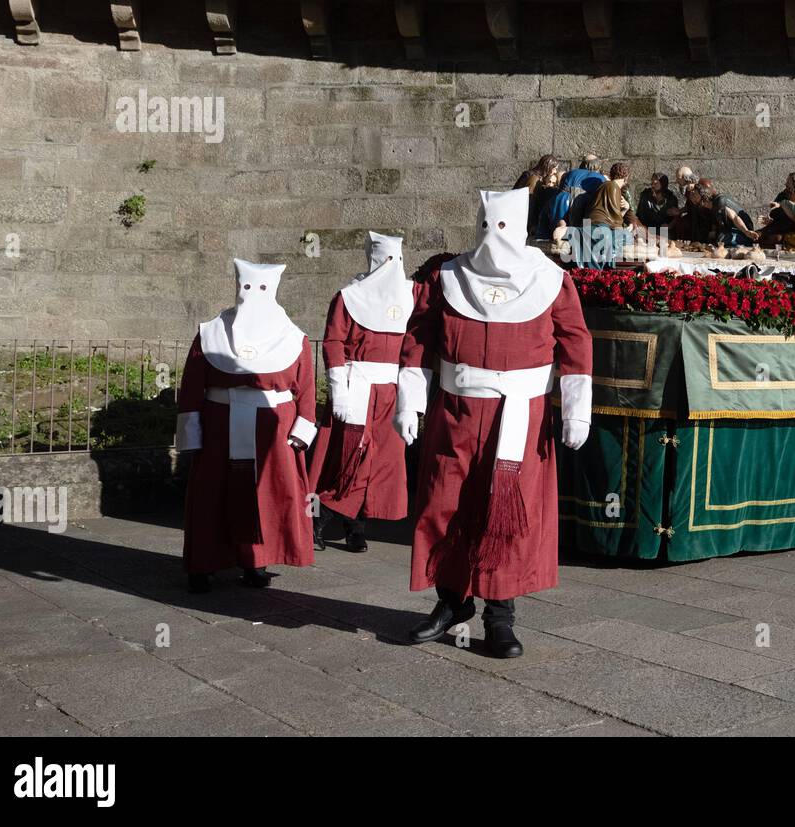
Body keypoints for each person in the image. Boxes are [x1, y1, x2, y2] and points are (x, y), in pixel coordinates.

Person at [397, 188, 592, 659]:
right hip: (457, 413)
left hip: (520, 418)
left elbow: (576, 343)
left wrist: (576, 408)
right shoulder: (447, 278)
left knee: (506, 513)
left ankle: (499, 615)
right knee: (446, 503)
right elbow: (418, 339)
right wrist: (409, 402)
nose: (493, 237)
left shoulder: (551, 281)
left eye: (502, 228)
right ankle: (451, 600)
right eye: (486, 226)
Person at [175, 259, 318, 592]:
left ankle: (257, 561)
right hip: (218, 429)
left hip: (273, 432)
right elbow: (193, 386)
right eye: (247, 287)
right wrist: (192, 436)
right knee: (212, 494)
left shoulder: (293, 338)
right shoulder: (210, 333)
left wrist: (302, 430)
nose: (253, 295)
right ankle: (203, 563)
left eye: (262, 288)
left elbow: (306, 391)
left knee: (267, 497)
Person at [309, 232, 413, 554]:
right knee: (347, 458)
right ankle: (316, 517)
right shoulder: (349, 297)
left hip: (389, 393)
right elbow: (333, 342)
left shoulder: (410, 295)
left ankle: (357, 527)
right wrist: (338, 387)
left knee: (379, 463)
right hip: (355, 389)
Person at [698, 178, 758, 246]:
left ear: (703, 201)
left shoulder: (720, 202)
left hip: (741, 230)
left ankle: (744, 241)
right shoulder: (711, 208)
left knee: (722, 240)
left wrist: (746, 231)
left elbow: (735, 217)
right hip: (729, 229)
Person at [758, 171, 795, 246]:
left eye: (788, 182)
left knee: (777, 238)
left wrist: (783, 206)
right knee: (756, 235)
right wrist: (769, 221)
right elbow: (773, 216)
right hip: (775, 228)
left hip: (791, 232)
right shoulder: (782, 196)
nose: (785, 184)